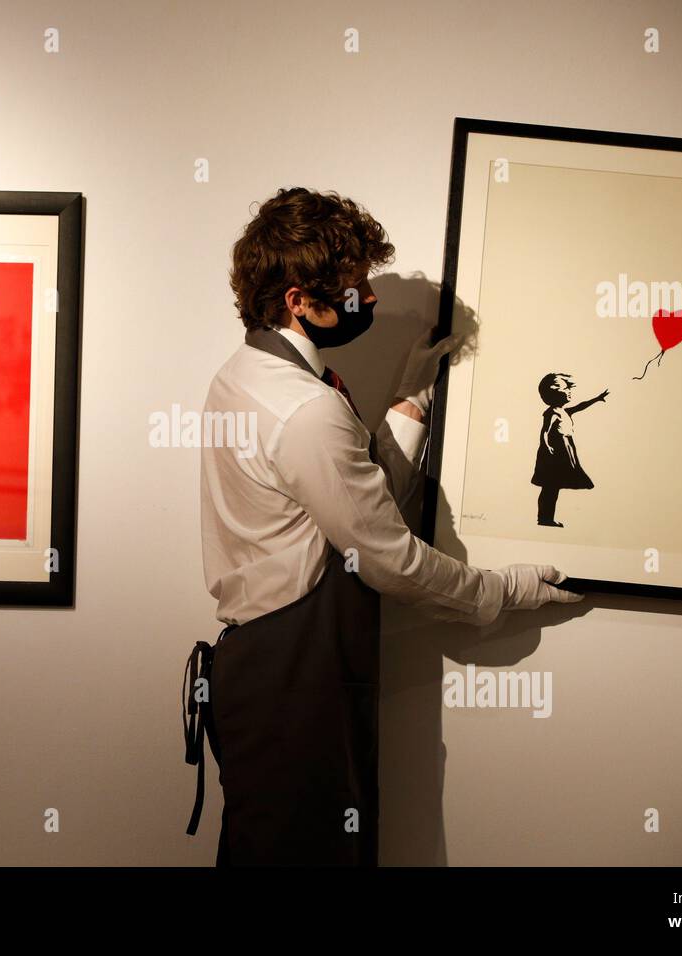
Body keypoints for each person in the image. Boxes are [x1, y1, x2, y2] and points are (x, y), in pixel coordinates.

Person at [183, 187, 583, 867]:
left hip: (261, 675)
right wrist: (505, 592)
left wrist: (412, 397)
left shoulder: (240, 378)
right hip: (297, 687)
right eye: (352, 287)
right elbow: (387, 556)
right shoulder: (305, 410)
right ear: (298, 300)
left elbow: (350, 507)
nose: (366, 300)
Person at [531, 372, 609, 527]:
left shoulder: (565, 411)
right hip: (554, 452)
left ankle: (547, 518)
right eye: (566, 388)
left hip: (566, 450)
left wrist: (597, 399)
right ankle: (544, 518)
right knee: (550, 487)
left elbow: (581, 406)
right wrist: (547, 446)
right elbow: (545, 432)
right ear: (554, 391)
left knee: (553, 487)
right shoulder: (551, 413)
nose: (570, 391)